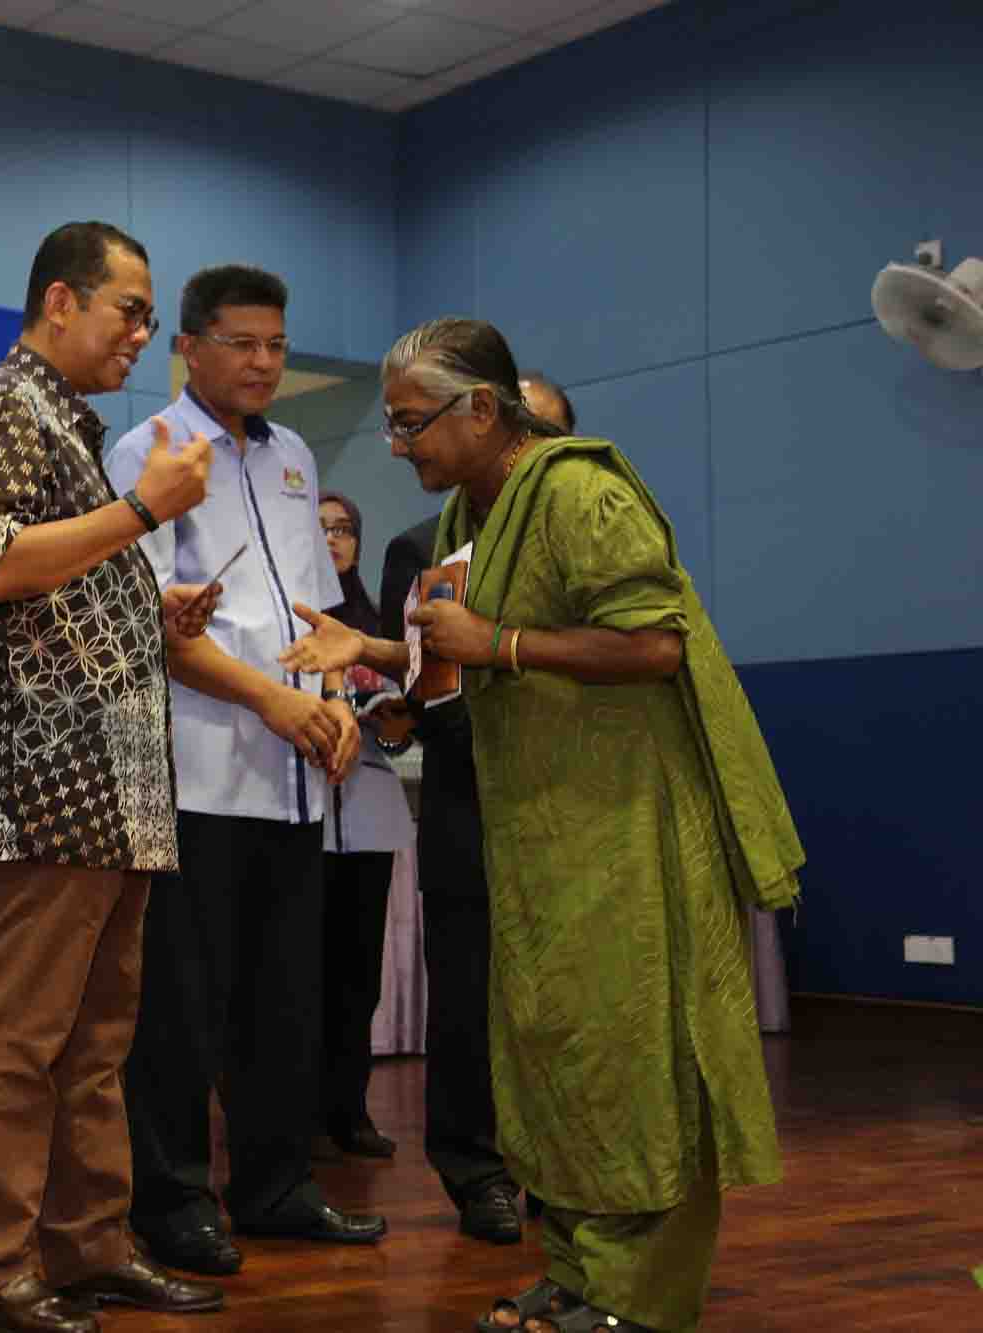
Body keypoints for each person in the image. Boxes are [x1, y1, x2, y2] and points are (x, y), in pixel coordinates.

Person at [288, 318, 801, 1333]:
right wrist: (385, 662)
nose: (396, 446)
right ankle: (573, 1271)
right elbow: (457, 663)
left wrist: (500, 641)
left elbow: (654, 643)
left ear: (480, 408)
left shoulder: (580, 491)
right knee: (548, 1054)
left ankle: (633, 1296)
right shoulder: (459, 520)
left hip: (621, 824)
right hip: (531, 830)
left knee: (624, 1059)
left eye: (408, 424)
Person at [0, 222, 227, 1333]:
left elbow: (59, 581)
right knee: (21, 1038)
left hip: (110, 783)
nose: (142, 335)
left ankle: (86, 1244)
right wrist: (146, 510)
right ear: (59, 302)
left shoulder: (68, 421)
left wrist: (141, 605)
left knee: (99, 1038)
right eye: (128, 311)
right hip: (41, 777)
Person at [103, 265, 383, 1284]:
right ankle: (171, 1202)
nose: (263, 362)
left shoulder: (296, 456)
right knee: (182, 1004)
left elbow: (318, 616)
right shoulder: (147, 452)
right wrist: (273, 701)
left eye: (275, 344)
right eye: (241, 343)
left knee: (283, 995)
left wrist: (339, 703)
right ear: (188, 347)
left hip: (297, 770)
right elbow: (151, 625)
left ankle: (275, 1186)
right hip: (196, 773)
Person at [374, 371, 575, 1245]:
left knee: (568, 1005)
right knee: (469, 1003)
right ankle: (476, 1172)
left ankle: (566, 1171)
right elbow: (422, 689)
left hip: (571, 802)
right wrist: (408, 694)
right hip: (467, 803)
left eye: (550, 432)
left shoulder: (585, 535)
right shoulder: (420, 545)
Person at [311, 491, 414, 1165]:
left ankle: (349, 1111)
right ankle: (291, 1115)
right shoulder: (287, 615)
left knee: (357, 976)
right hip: (303, 818)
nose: (334, 539)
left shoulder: (376, 625)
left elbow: (406, 732)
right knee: (299, 972)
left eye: (345, 527)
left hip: (369, 817)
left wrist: (395, 721)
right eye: (320, 528)